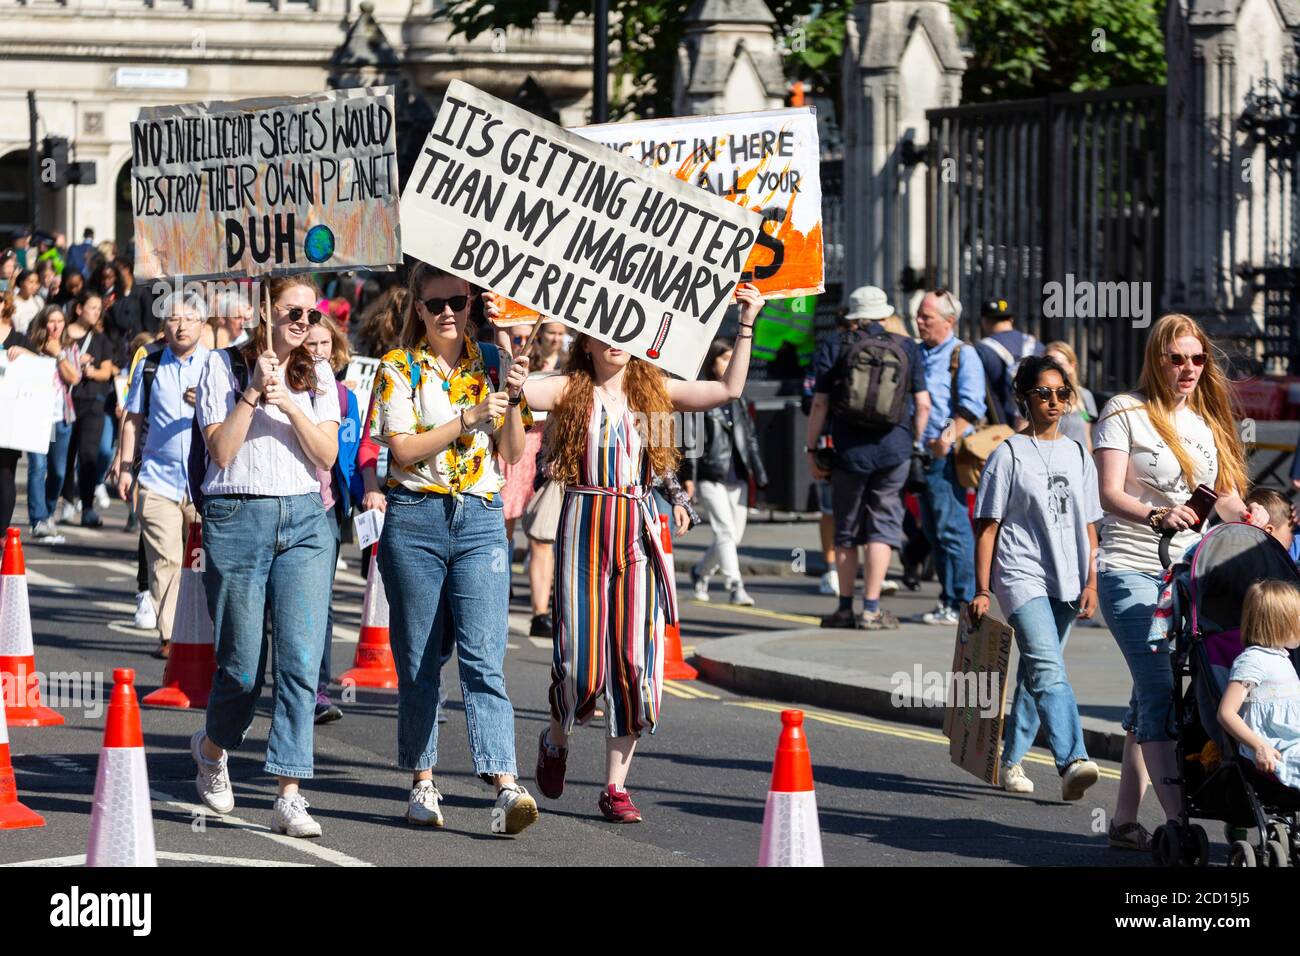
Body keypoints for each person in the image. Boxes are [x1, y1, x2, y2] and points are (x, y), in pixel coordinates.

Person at [528, 283, 765, 823]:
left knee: (636, 663)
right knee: (581, 666)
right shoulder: (570, 389)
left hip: (635, 528)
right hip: (584, 524)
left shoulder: (650, 392)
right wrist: (507, 350)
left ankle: (615, 787)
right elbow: (518, 395)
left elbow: (727, 390)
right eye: (604, 331)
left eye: (624, 330)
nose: (615, 340)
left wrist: (746, 322)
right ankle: (556, 738)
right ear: (586, 341)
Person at [369, 263, 538, 834]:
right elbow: (401, 451)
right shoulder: (399, 368)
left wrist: (512, 398)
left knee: (484, 656)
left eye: (458, 302)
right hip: (416, 518)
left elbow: (511, 453)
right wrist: (467, 418)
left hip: (481, 520)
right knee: (419, 660)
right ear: (417, 308)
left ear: (472, 304)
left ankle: (506, 784)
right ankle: (422, 780)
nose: (448, 312)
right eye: (436, 303)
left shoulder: (491, 362)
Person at [1093, 312, 1267, 851]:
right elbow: (1109, 494)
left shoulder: (1207, 422)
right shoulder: (1125, 411)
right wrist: (1154, 515)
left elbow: (1225, 498)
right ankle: (1177, 823)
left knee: (1161, 691)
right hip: (1132, 568)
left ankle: (1124, 819)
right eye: (1177, 359)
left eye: (1197, 359)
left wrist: (1252, 516)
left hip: (1194, 572)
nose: (1189, 368)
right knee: (1159, 688)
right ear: (1157, 360)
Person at [190, 275, 341, 839]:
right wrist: (254, 392)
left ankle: (290, 792)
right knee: (241, 669)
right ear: (262, 312)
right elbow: (222, 452)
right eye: (292, 312)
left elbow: (326, 456)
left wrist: (289, 405)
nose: (304, 322)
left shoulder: (318, 371)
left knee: (301, 663)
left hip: (304, 520)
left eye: (311, 313)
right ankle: (211, 748)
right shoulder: (220, 366)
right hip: (237, 520)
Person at [971, 355, 1102, 799]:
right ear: (1023, 399)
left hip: (1068, 577)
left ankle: (1010, 762)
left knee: (1035, 671)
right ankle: (1073, 760)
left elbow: (1089, 525)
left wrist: (1091, 582)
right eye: (1043, 393)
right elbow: (987, 527)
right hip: (1021, 573)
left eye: (1062, 392)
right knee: (1048, 667)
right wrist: (984, 589)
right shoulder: (1007, 454)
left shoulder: (1078, 453)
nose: (1054, 401)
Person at [805, 287, 930, 629]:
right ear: (884, 313)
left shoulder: (835, 344)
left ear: (853, 315)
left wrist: (812, 448)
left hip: (848, 451)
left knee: (846, 530)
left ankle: (845, 608)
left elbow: (819, 404)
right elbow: (923, 404)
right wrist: (914, 441)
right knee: (883, 526)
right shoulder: (907, 347)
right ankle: (871, 610)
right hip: (895, 450)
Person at [112, 291, 208, 659]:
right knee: (165, 561)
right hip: (157, 480)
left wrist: (207, 401)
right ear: (163, 326)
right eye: (173, 319)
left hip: (204, 484)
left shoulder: (215, 365)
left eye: (188, 318)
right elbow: (133, 419)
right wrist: (124, 468)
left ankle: (203, 635)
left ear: (202, 324)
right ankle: (171, 638)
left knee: (200, 564)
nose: (180, 326)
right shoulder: (149, 365)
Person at [303, 313, 364, 724]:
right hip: (286, 502)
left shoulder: (347, 399)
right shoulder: (286, 391)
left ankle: (316, 690)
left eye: (325, 344)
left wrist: (367, 496)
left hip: (327, 509)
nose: (319, 352)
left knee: (319, 602)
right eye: (311, 344)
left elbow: (355, 458)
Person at [913, 288, 986, 625]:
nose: (919, 321)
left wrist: (945, 439)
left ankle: (962, 600)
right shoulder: (918, 352)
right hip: (921, 454)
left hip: (946, 455)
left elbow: (972, 406)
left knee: (952, 527)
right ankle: (948, 599)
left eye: (926, 317)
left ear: (949, 321)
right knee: (933, 529)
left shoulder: (962, 354)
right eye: (919, 315)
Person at [684, 337, 769, 606]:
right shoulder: (701, 393)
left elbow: (751, 438)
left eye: (734, 357)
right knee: (724, 532)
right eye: (724, 358)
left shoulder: (738, 397)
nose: (730, 363)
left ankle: (699, 572)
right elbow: (691, 439)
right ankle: (736, 586)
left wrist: (759, 471)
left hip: (738, 475)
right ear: (712, 362)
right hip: (711, 474)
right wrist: (689, 476)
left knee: (732, 536)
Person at [499, 320, 567, 637]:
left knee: (542, 539)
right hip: (515, 448)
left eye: (528, 337)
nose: (523, 342)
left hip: (545, 455)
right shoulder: (514, 364)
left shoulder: (562, 367)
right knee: (504, 532)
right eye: (518, 337)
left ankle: (541, 614)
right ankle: (498, 592)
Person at [1217, 580, 1300, 791]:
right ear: (1279, 622)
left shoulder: (1281, 657)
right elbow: (1226, 713)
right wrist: (1259, 746)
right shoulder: (1253, 661)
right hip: (1279, 750)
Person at [24, 307, 79, 544]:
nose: (55, 326)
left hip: (59, 418)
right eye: (51, 322)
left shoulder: (69, 348)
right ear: (43, 324)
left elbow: (73, 378)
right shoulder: (31, 348)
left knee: (57, 470)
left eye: (59, 321)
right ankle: (37, 520)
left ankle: (47, 513)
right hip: (36, 417)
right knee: (37, 466)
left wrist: (59, 355)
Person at [61, 292, 115, 528]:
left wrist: (93, 372)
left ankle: (88, 507)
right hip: (64, 402)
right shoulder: (62, 334)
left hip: (93, 403)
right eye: (92, 307)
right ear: (79, 308)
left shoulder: (101, 339)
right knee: (63, 456)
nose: (96, 312)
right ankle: (65, 501)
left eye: (98, 309)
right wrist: (74, 361)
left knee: (88, 455)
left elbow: (107, 371)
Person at [0, 292, 33, 532]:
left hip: (8, 420)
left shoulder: (19, 338)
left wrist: (25, 354)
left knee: (4, 475)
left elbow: (42, 366)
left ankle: (1, 533)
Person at [1043, 341, 1097, 450]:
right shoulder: (1039, 396)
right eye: (1048, 363)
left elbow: (1088, 437)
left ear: (1072, 366)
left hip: (1079, 462)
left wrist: (1089, 462)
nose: (1053, 368)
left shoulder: (1084, 396)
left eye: (1059, 364)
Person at [12, 270, 42, 335]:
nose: (34, 286)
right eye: (31, 282)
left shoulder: (38, 301)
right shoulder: (12, 302)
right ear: (21, 282)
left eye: (36, 283)